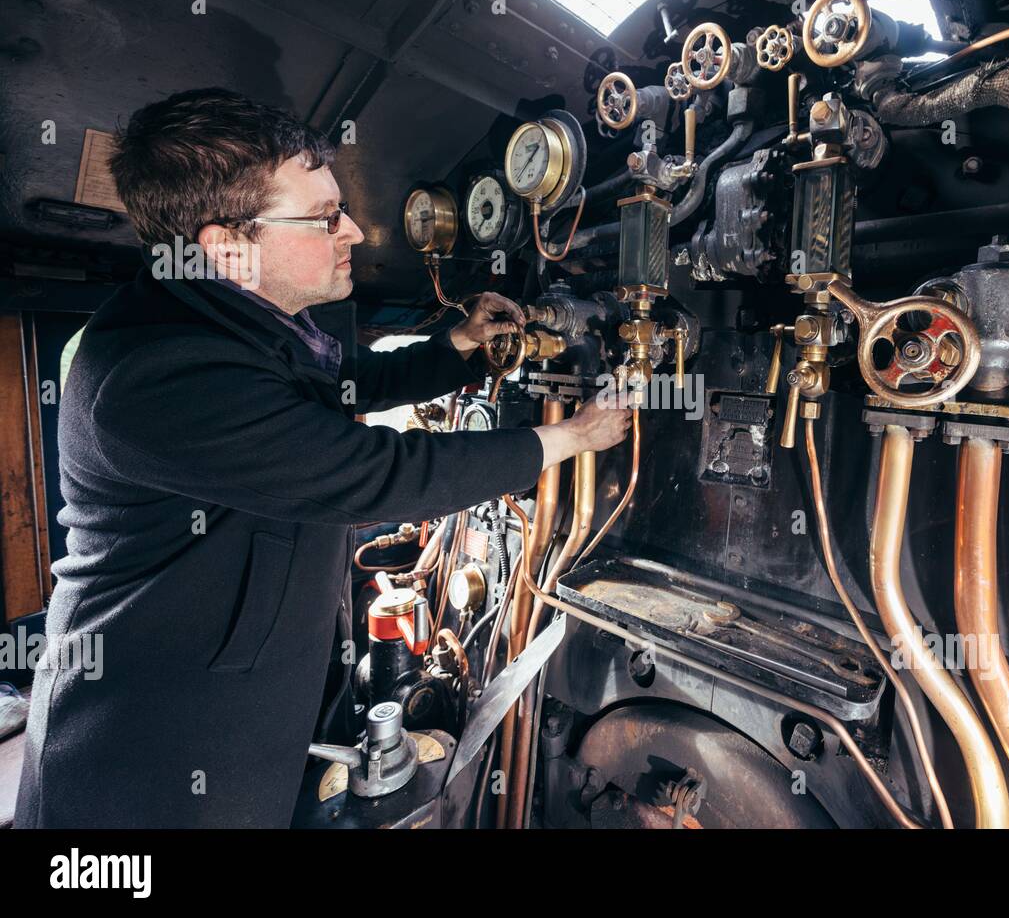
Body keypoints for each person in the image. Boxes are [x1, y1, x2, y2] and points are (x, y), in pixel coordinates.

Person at [14, 88, 629, 827]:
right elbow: (373, 472)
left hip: (245, 724)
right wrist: (567, 438)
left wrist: (457, 347)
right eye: (323, 217)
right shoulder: (149, 375)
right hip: (145, 764)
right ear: (226, 245)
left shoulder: (237, 319)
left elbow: (343, 382)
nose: (357, 231)